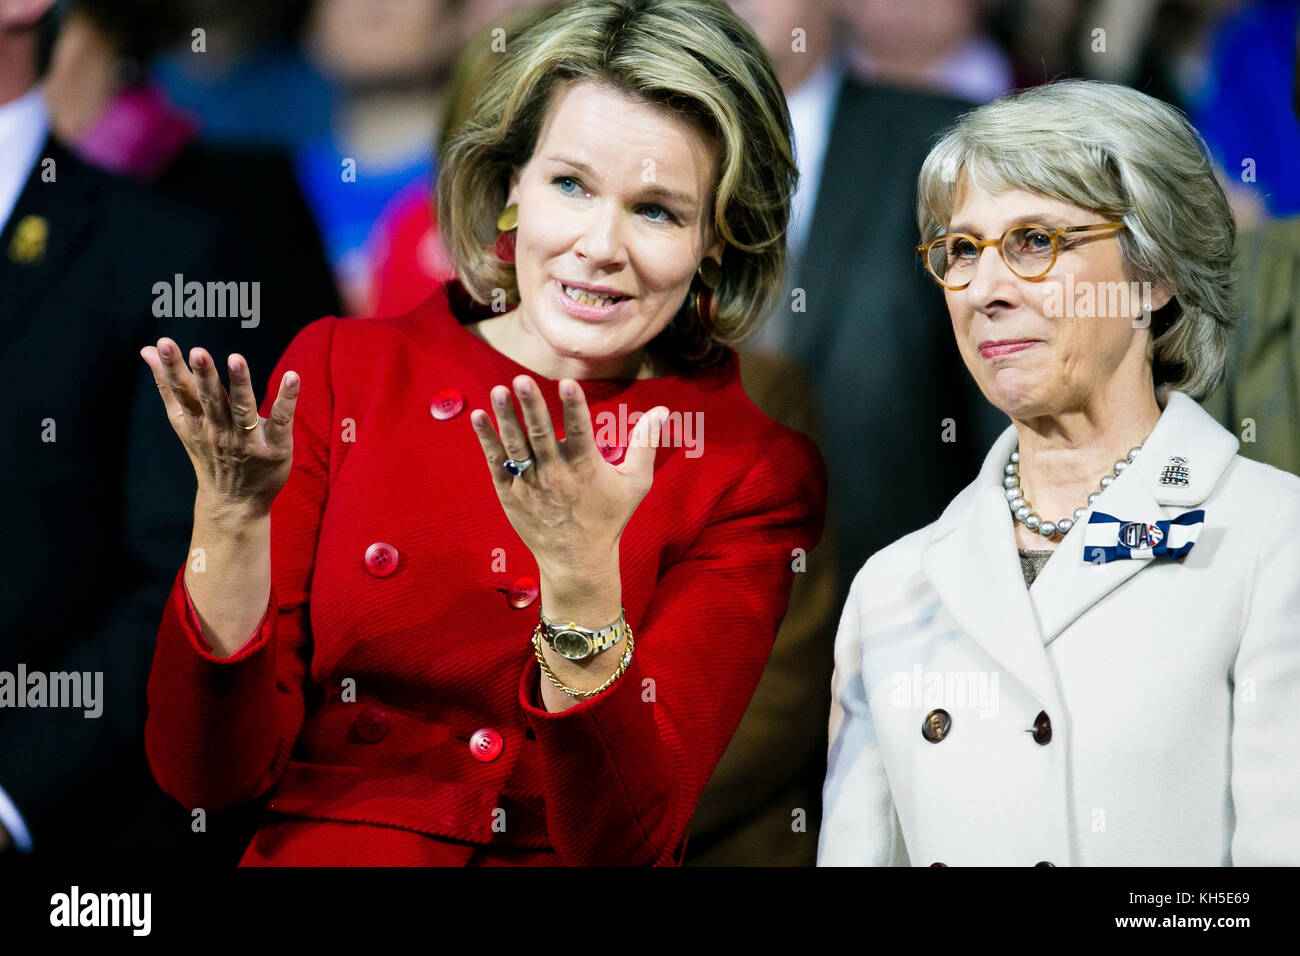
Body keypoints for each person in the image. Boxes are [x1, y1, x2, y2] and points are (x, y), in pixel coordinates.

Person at [140, 0, 827, 866]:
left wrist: (581, 580)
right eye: (570, 185)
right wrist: (228, 529)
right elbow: (204, 776)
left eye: (656, 210)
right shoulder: (345, 368)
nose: (599, 245)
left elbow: (626, 843)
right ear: (510, 185)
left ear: (719, 240)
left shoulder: (748, 467)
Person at [819, 79, 1300, 866]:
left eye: (1035, 242)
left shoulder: (1273, 538)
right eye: (961, 251)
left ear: (1153, 274)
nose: (986, 290)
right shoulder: (891, 585)